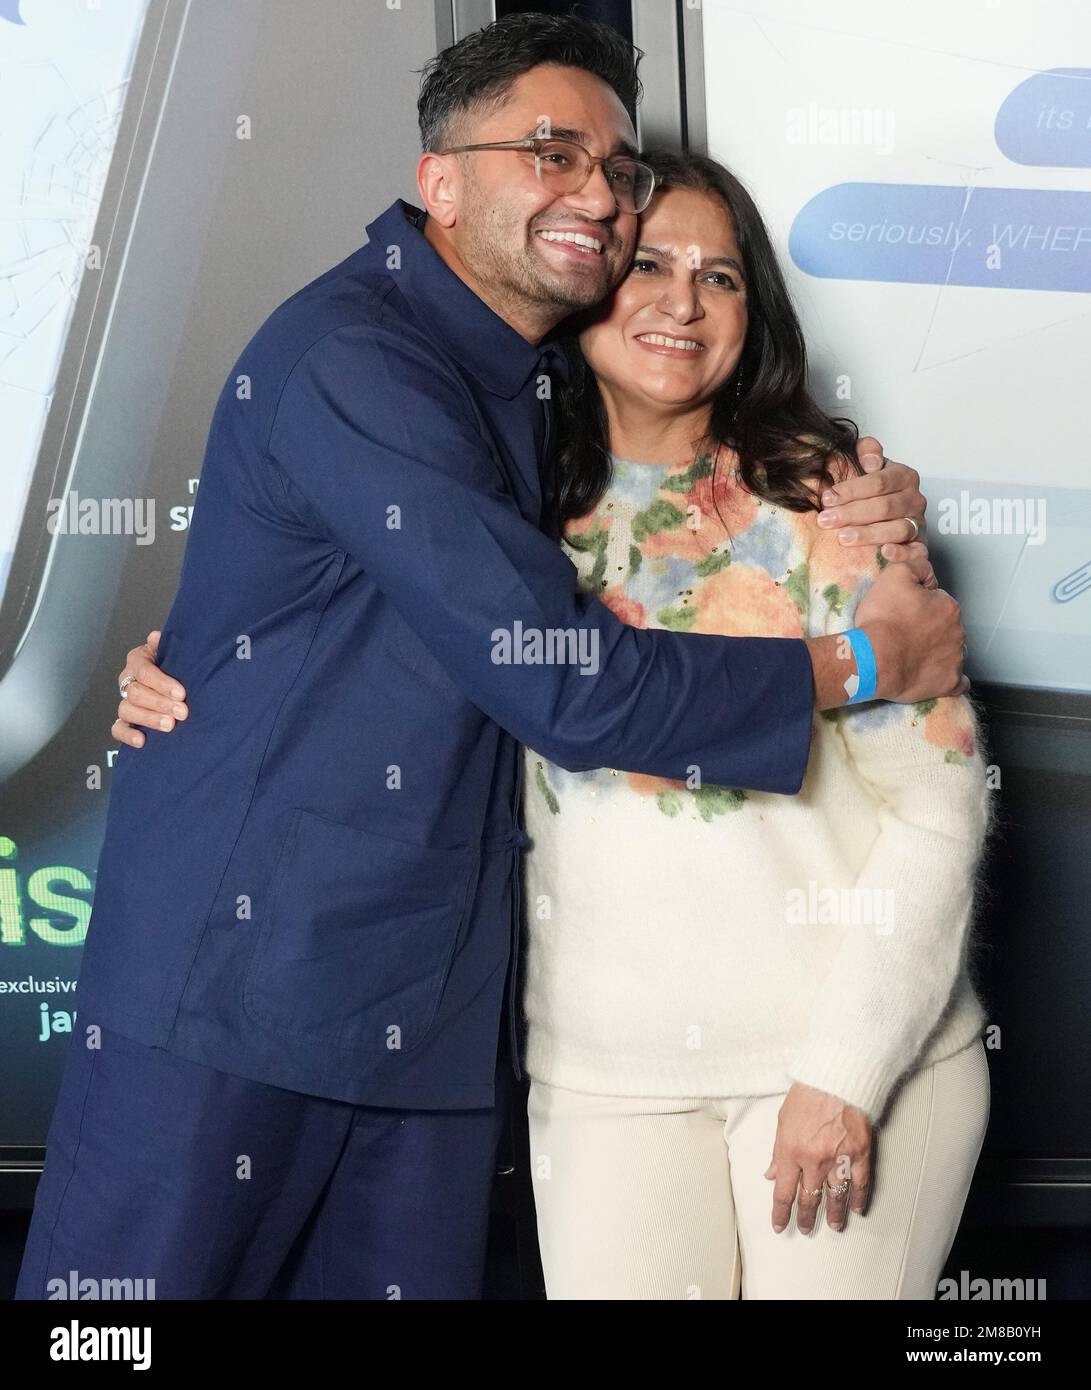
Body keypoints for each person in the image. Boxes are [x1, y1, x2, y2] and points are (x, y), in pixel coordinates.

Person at [19, 14, 962, 1302]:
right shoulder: (363, 359)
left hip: (433, 1034)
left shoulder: (544, 402)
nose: (595, 197)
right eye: (548, 152)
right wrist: (856, 663)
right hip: (239, 1002)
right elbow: (562, 679)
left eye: (614, 172)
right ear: (441, 182)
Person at [519, 151, 991, 1299]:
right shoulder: (500, 510)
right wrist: (167, 676)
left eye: (718, 276)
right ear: (585, 281)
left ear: (751, 313)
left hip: (849, 1061)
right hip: (599, 1078)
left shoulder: (828, 500)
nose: (680, 300)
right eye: (647, 264)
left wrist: (843, 1072)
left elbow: (936, 810)